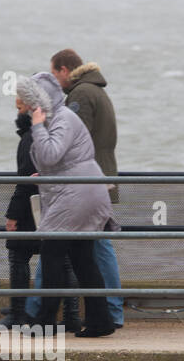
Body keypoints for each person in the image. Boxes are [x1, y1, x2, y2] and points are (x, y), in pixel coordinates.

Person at [25, 49, 124, 328]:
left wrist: (37, 126)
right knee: (84, 257)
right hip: (89, 185)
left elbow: (52, 153)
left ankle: (43, 321)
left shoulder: (66, 112)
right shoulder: (88, 98)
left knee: (53, 253)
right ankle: (101, 320)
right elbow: (69, 154)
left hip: (78, 192)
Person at [0, 91, 82, 332]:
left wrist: (12, 216)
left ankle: (18, 314)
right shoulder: (58, 133)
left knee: (18, 253)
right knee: (65, 260)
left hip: (35, 206)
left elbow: (26, 181)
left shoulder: (30, 139)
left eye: (19, 108)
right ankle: (72, 315)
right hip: (61, 203)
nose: (17, 114)